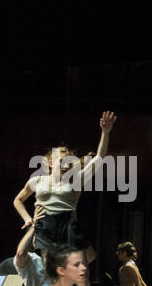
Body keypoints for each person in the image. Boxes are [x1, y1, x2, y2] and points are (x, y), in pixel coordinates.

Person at [12, 112, 117, 264]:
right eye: (61, 161)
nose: (65, 165)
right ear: (50, 162)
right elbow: (18, 200)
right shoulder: (37, 181)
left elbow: (99, 158)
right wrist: (28, 219)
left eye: (68, 162)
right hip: (45, 225)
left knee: (79, 264)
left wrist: (105, 133)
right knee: (50, 268)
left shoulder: (76, 180)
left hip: (67, 225)